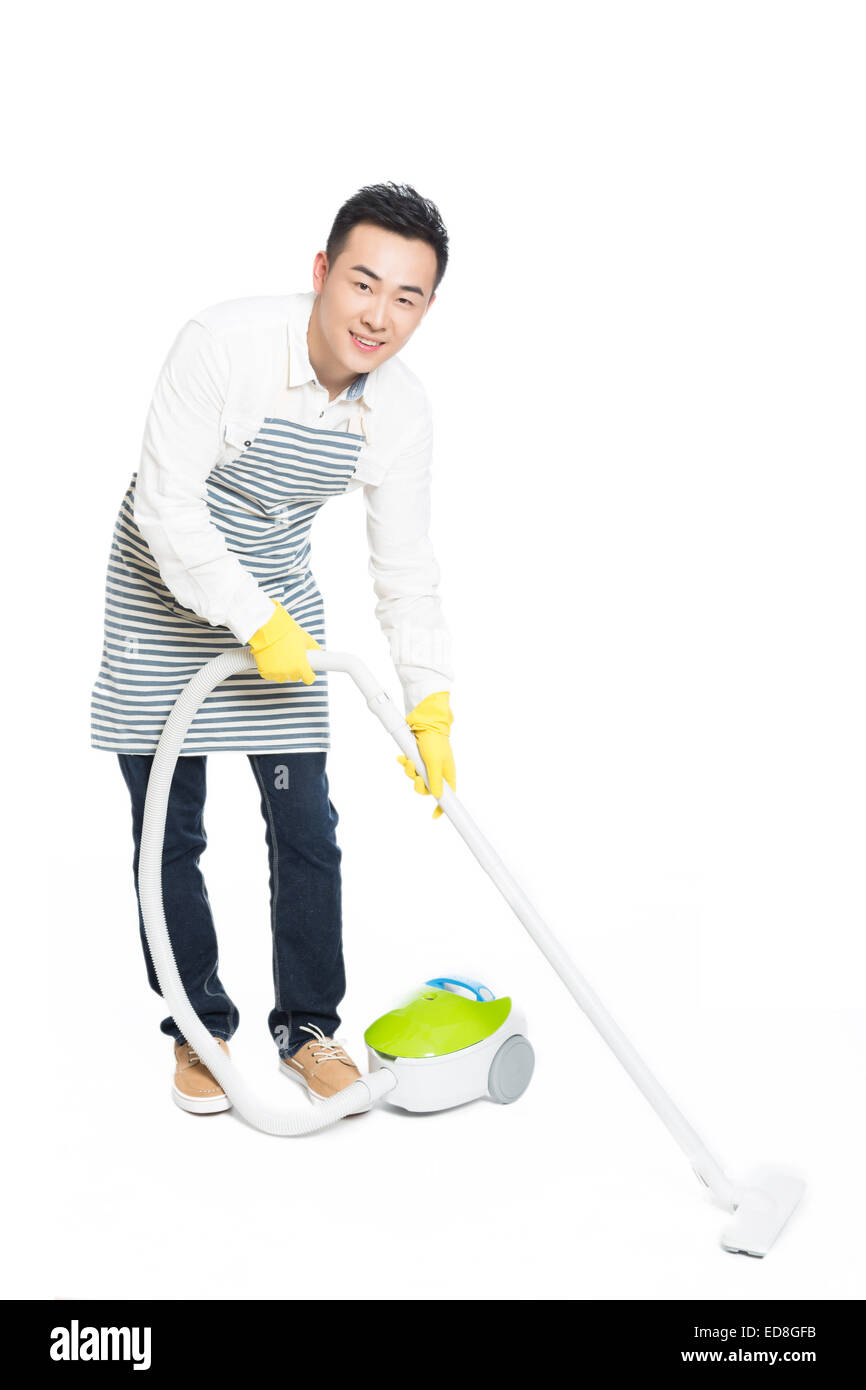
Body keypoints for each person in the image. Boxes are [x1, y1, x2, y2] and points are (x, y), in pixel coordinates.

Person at [90, 181, 456, 1116]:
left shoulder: (401, 412)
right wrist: (251, 619)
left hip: (280, 610)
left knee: (307, 828)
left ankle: (307, 1028)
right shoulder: (222, 344)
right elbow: (170, 511)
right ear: (323, 272)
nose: (379, 316)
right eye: (364, 283)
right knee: (168, 832)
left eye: (407, 298)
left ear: (425, 309)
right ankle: (199, 1029)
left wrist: (429, 698)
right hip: (159, 592)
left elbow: (404, 566)